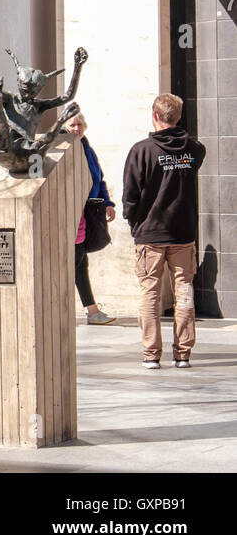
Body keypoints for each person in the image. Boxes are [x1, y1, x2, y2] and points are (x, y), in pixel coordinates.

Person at [122, 94, 207, 370]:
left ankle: (151, 354)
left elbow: (130, 194)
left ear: (154, 115)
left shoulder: (141, 150)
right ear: (179, 117)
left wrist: (134, 222)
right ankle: (183, 353)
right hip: (182, 233)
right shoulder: (193, 150)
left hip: (150, 233)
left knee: (150, 294)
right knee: (184, 292)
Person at [65, 111, 117, 326]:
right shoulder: (62, 149)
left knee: (80, 263)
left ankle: (92, 311)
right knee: (76, 263)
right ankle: (86, 310)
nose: (77, 129)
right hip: (71, 214)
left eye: (80, 125)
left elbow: (99, 178)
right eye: (73, 125)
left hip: (87, 212)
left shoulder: (87, 148)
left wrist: (107, 202)